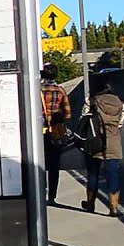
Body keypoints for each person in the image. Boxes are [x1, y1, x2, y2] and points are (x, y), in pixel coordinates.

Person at [80, 76, 124, 216]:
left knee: (93, 173)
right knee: (113, 174)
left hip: (94, 142)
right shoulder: (120, 103)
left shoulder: (91, 101)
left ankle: (90, 204)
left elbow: (83, 119)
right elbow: (120, 124)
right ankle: (114, 206)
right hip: (113, 142)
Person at [40, 64, 71, 204]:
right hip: (56, 132)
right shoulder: (60, 91)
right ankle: (52, 196)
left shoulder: (37, 91)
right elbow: (68, 114)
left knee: (39, 163)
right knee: (54, 165)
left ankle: (40, 190)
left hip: (39, 132)